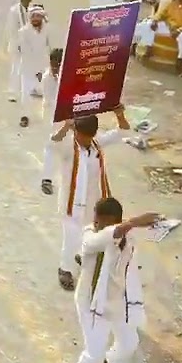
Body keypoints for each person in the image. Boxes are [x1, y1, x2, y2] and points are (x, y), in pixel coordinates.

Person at [71, 198, 160, 363]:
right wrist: (134, 222)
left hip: (118, 301)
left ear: (115, 221)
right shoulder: (90, 236)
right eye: (96, 221)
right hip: (92, 302)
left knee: (130, 341)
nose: (97, 226)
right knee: (94, 349)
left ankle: (113, 361)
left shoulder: (126, 237)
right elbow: (104, 236)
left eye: (103, 223)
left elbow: (120, 234)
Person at [41, 110, 129, 291]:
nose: (85, 140)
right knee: (71, 236)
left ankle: (81, 254)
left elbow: (123, 133)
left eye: (89, 136)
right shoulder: (68, 146)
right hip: (71, 201)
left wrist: (119, 114)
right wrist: (66, 126)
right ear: (76, 132)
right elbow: (51, 144)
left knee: (90, 230)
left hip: (92, 199)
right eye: (82, 136)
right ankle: (65, 269)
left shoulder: (96, 145)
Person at [12, 5, 52, 127]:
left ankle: (50, 118)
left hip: (43, 67)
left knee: (49, 92)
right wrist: (37, 70)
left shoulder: (46, 31)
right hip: (28, 68)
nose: (35, 18)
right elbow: (26, 51)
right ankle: (25, 116)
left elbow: (49, 47)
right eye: (33, 16)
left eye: (38, 16)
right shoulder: (23, 32)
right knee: (26, 94)